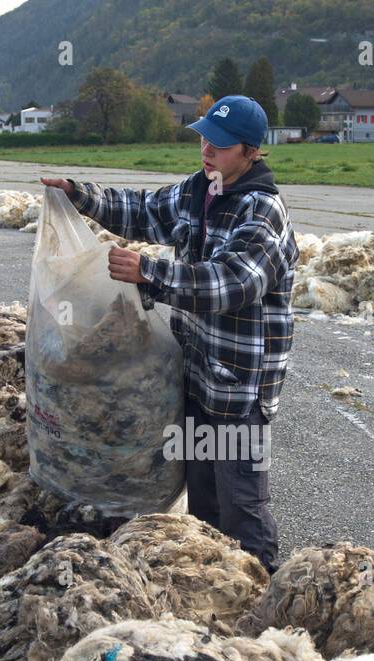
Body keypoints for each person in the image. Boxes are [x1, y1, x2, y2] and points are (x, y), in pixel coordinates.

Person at [41, 94, 297, 571]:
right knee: (202, 500)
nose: (206, 151)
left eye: (219, 146)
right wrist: (79, 194)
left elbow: (235, 282)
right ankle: (210, 584)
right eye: (203, 139)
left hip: (239, 387)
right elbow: (140, 209)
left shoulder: (262, 212)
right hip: (196, 376)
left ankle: (261, 591)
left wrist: (150, 272)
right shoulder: (198, 191)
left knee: (241, 503)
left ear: (250, 151)